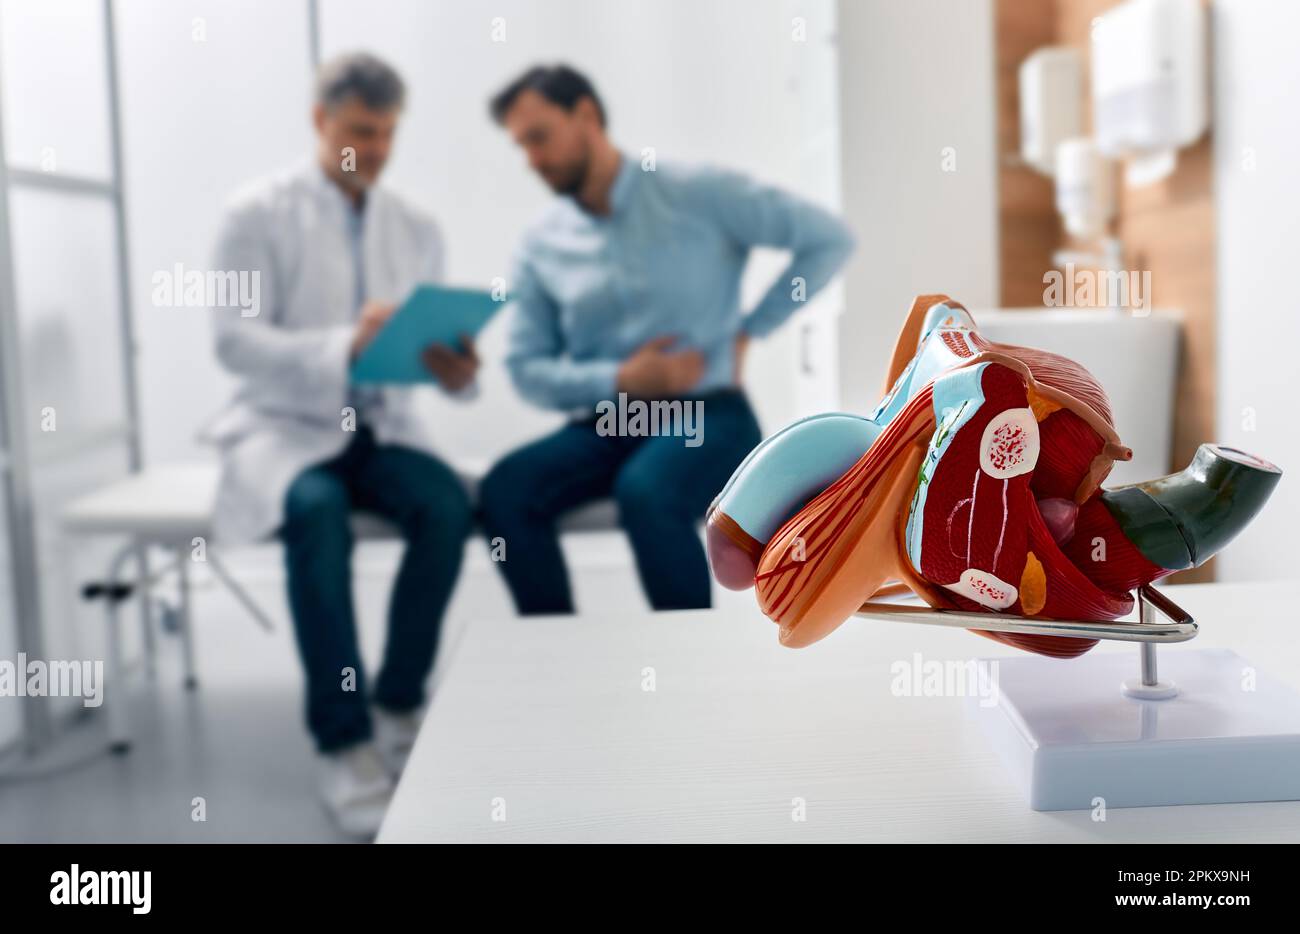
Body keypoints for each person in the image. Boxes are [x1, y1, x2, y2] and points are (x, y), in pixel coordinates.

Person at [205, 53, 479, 837]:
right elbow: (232, 342)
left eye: (390, 133)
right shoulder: (252, 214)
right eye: (363, 131)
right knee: (316, 518)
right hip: (288, 430)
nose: (379, 149)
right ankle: (343, 737)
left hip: (382, 424)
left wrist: (454, 370)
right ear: (321, 122)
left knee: (444, 505)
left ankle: (396, 700)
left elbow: (435, 359)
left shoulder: (416, 225)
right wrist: (339, 345)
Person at [480, 64, 855, 614]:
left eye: (538, 138)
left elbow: (828, 239)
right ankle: (554, 651)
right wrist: (617, 380)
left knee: (647, 490)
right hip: (608, 421)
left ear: (585, 115)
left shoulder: (696, 191)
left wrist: (751, 331)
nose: (531, 160)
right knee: (505, 489)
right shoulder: (541, 244)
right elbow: (524, 367)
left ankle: (685, 661)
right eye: (521, 147)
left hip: (708, 417)